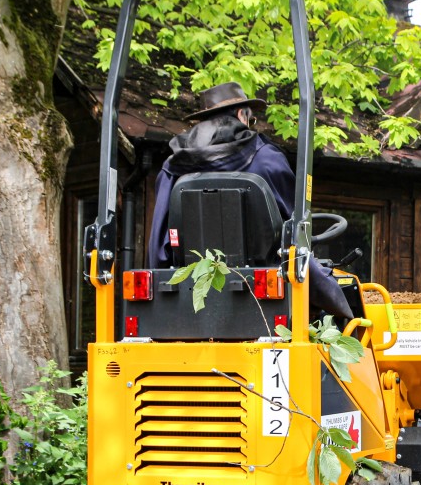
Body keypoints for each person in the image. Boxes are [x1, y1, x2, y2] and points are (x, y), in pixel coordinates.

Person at [146, 82, 352, 321]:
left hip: (191, 291)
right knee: (346, 303)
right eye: (251, 121)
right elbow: (293, 227)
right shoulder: (267, 160)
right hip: (266, 289)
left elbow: (160, 241)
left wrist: (162, 287)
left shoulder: (173, 168)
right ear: (241, 115)